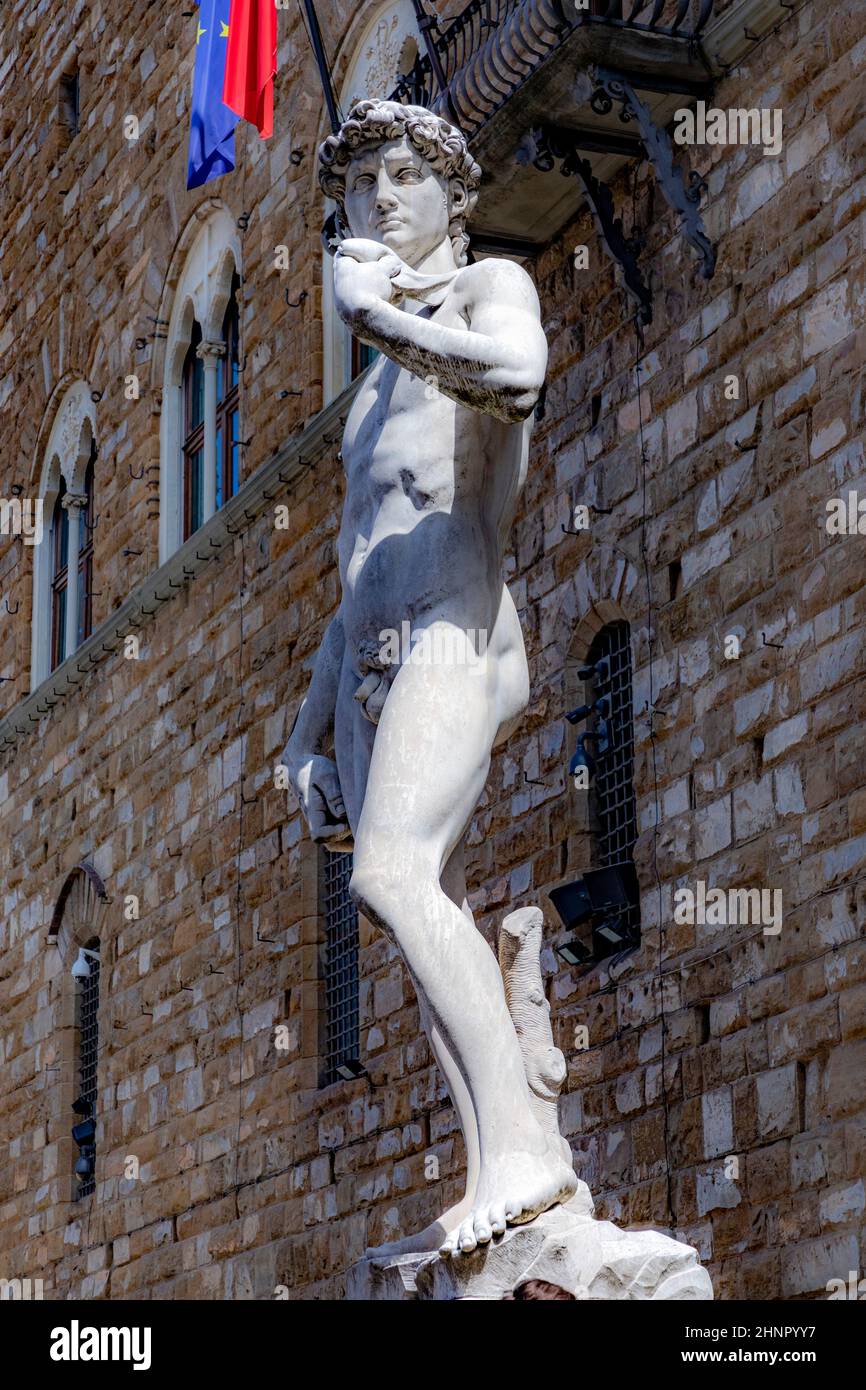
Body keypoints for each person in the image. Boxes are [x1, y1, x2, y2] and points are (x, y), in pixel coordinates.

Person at [283, 99, 576, 1258]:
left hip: (456, 625)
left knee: (393, 876)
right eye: (360, 187)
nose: (379, 201)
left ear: (453, 199)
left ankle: (523, 1152)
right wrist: (306, 729)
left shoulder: (486, 289)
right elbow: (358, 561)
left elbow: (514, 379)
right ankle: (498, 1157)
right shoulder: (363, 401)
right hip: (368, 658)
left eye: (402, 176)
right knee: (412, 903)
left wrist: (374, 315)